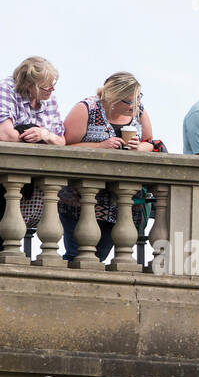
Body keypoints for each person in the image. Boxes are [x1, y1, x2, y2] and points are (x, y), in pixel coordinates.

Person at [59, 72, 157, 261]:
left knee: (101, 254)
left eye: (138, 98)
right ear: (113, 98)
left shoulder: (139, 111)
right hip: (82, 198)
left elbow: (151, 143)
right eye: (130, 101)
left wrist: (139, 148)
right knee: (77, 254)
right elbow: (64, 146)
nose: (135, 105)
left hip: (120, 200)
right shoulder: (87, 109)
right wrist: (99, 146)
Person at [0, 57, 66, 235]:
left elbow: (62, 141)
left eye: (53, 84)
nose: (52, 89)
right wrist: (33, 136)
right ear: (29, 84)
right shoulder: (7, 89)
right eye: (47, 86)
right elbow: (5, 134)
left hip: (36, 180)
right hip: (8, 172)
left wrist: (45, 134)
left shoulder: (50, 99)